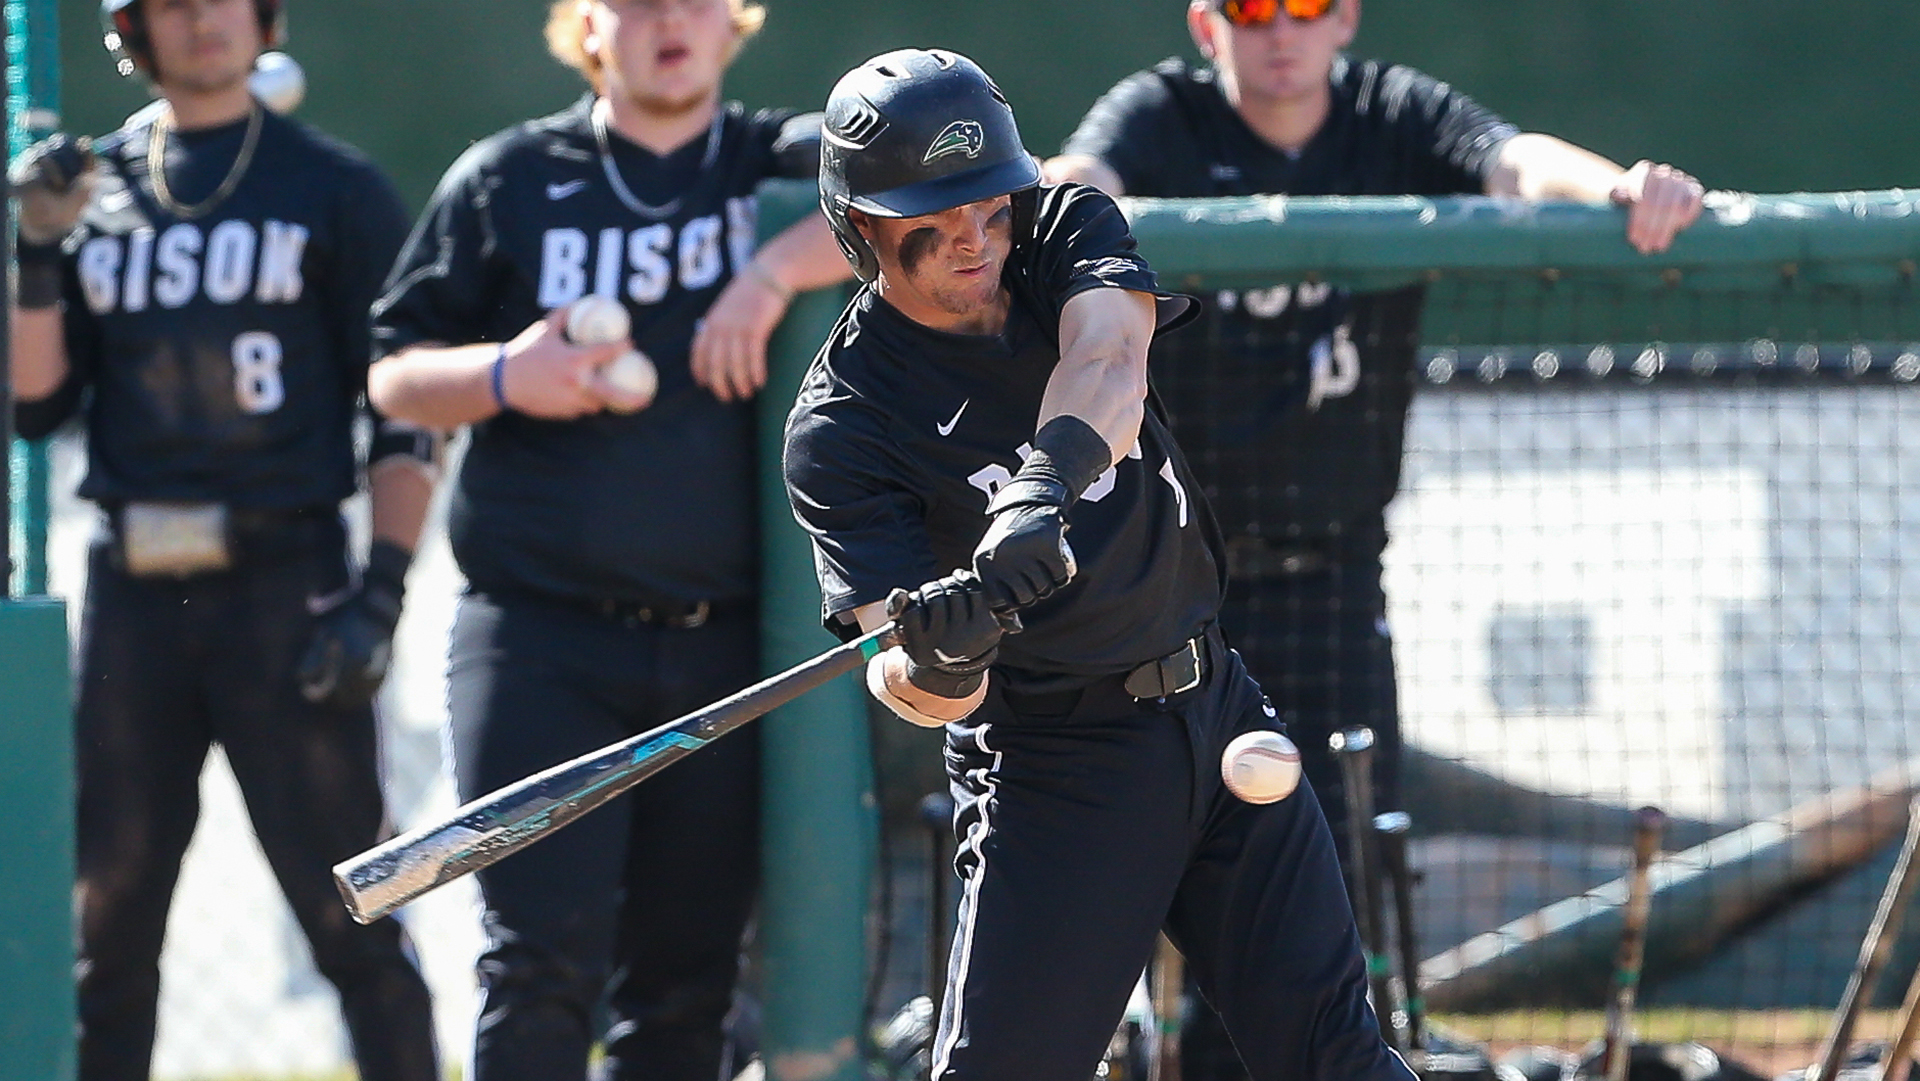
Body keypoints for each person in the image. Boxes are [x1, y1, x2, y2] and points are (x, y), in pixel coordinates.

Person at [1044, 1, 1704, 1073]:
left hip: (1335, 589)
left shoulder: (1389, 113)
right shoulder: (1164, 114)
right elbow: (1082, 179)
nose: (1280, 30)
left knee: (1324, 899)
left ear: (1344, 17)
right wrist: (1049, 204)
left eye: (1307, 5)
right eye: (1250, 9)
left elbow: (1513, 161)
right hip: (1168, 588)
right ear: (1208, 24)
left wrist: (1621, 187)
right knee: (1140, 886)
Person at [783, 48, 1414, 1081]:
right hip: (1057, 764)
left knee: (1339, 1058)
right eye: (934, 220)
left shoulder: (1058, 230)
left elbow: (1111, 361)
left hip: (1216, 702)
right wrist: (946, 654)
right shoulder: (844, 425)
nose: (975, 239)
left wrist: (1040, 491)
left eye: (989, 204)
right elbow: (902, 677)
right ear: (861, 228)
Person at [366, 0, 849, 1076]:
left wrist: (772, 271)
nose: (668, 20)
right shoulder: (509, 177)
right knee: (537, 966)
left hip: (733, 641)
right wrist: (508, 374)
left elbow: (957, 188)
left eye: (694, 0)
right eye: (636, 1)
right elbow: (394, 374)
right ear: (587, 25)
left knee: (686, 986)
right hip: (541, 639)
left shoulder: (780, 159)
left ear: (734, 22)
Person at [6, 1, 439, 1079]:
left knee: (356, 909)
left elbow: (403, 412)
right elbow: (34, 403)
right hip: (135, 596)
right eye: (174, 2)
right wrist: (37, 249)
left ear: (265, 18)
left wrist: (382, 591)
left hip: (287, 584)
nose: (204, 19)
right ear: (132, 32)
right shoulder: (92, 189)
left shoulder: (334, 187)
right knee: (107, 927)